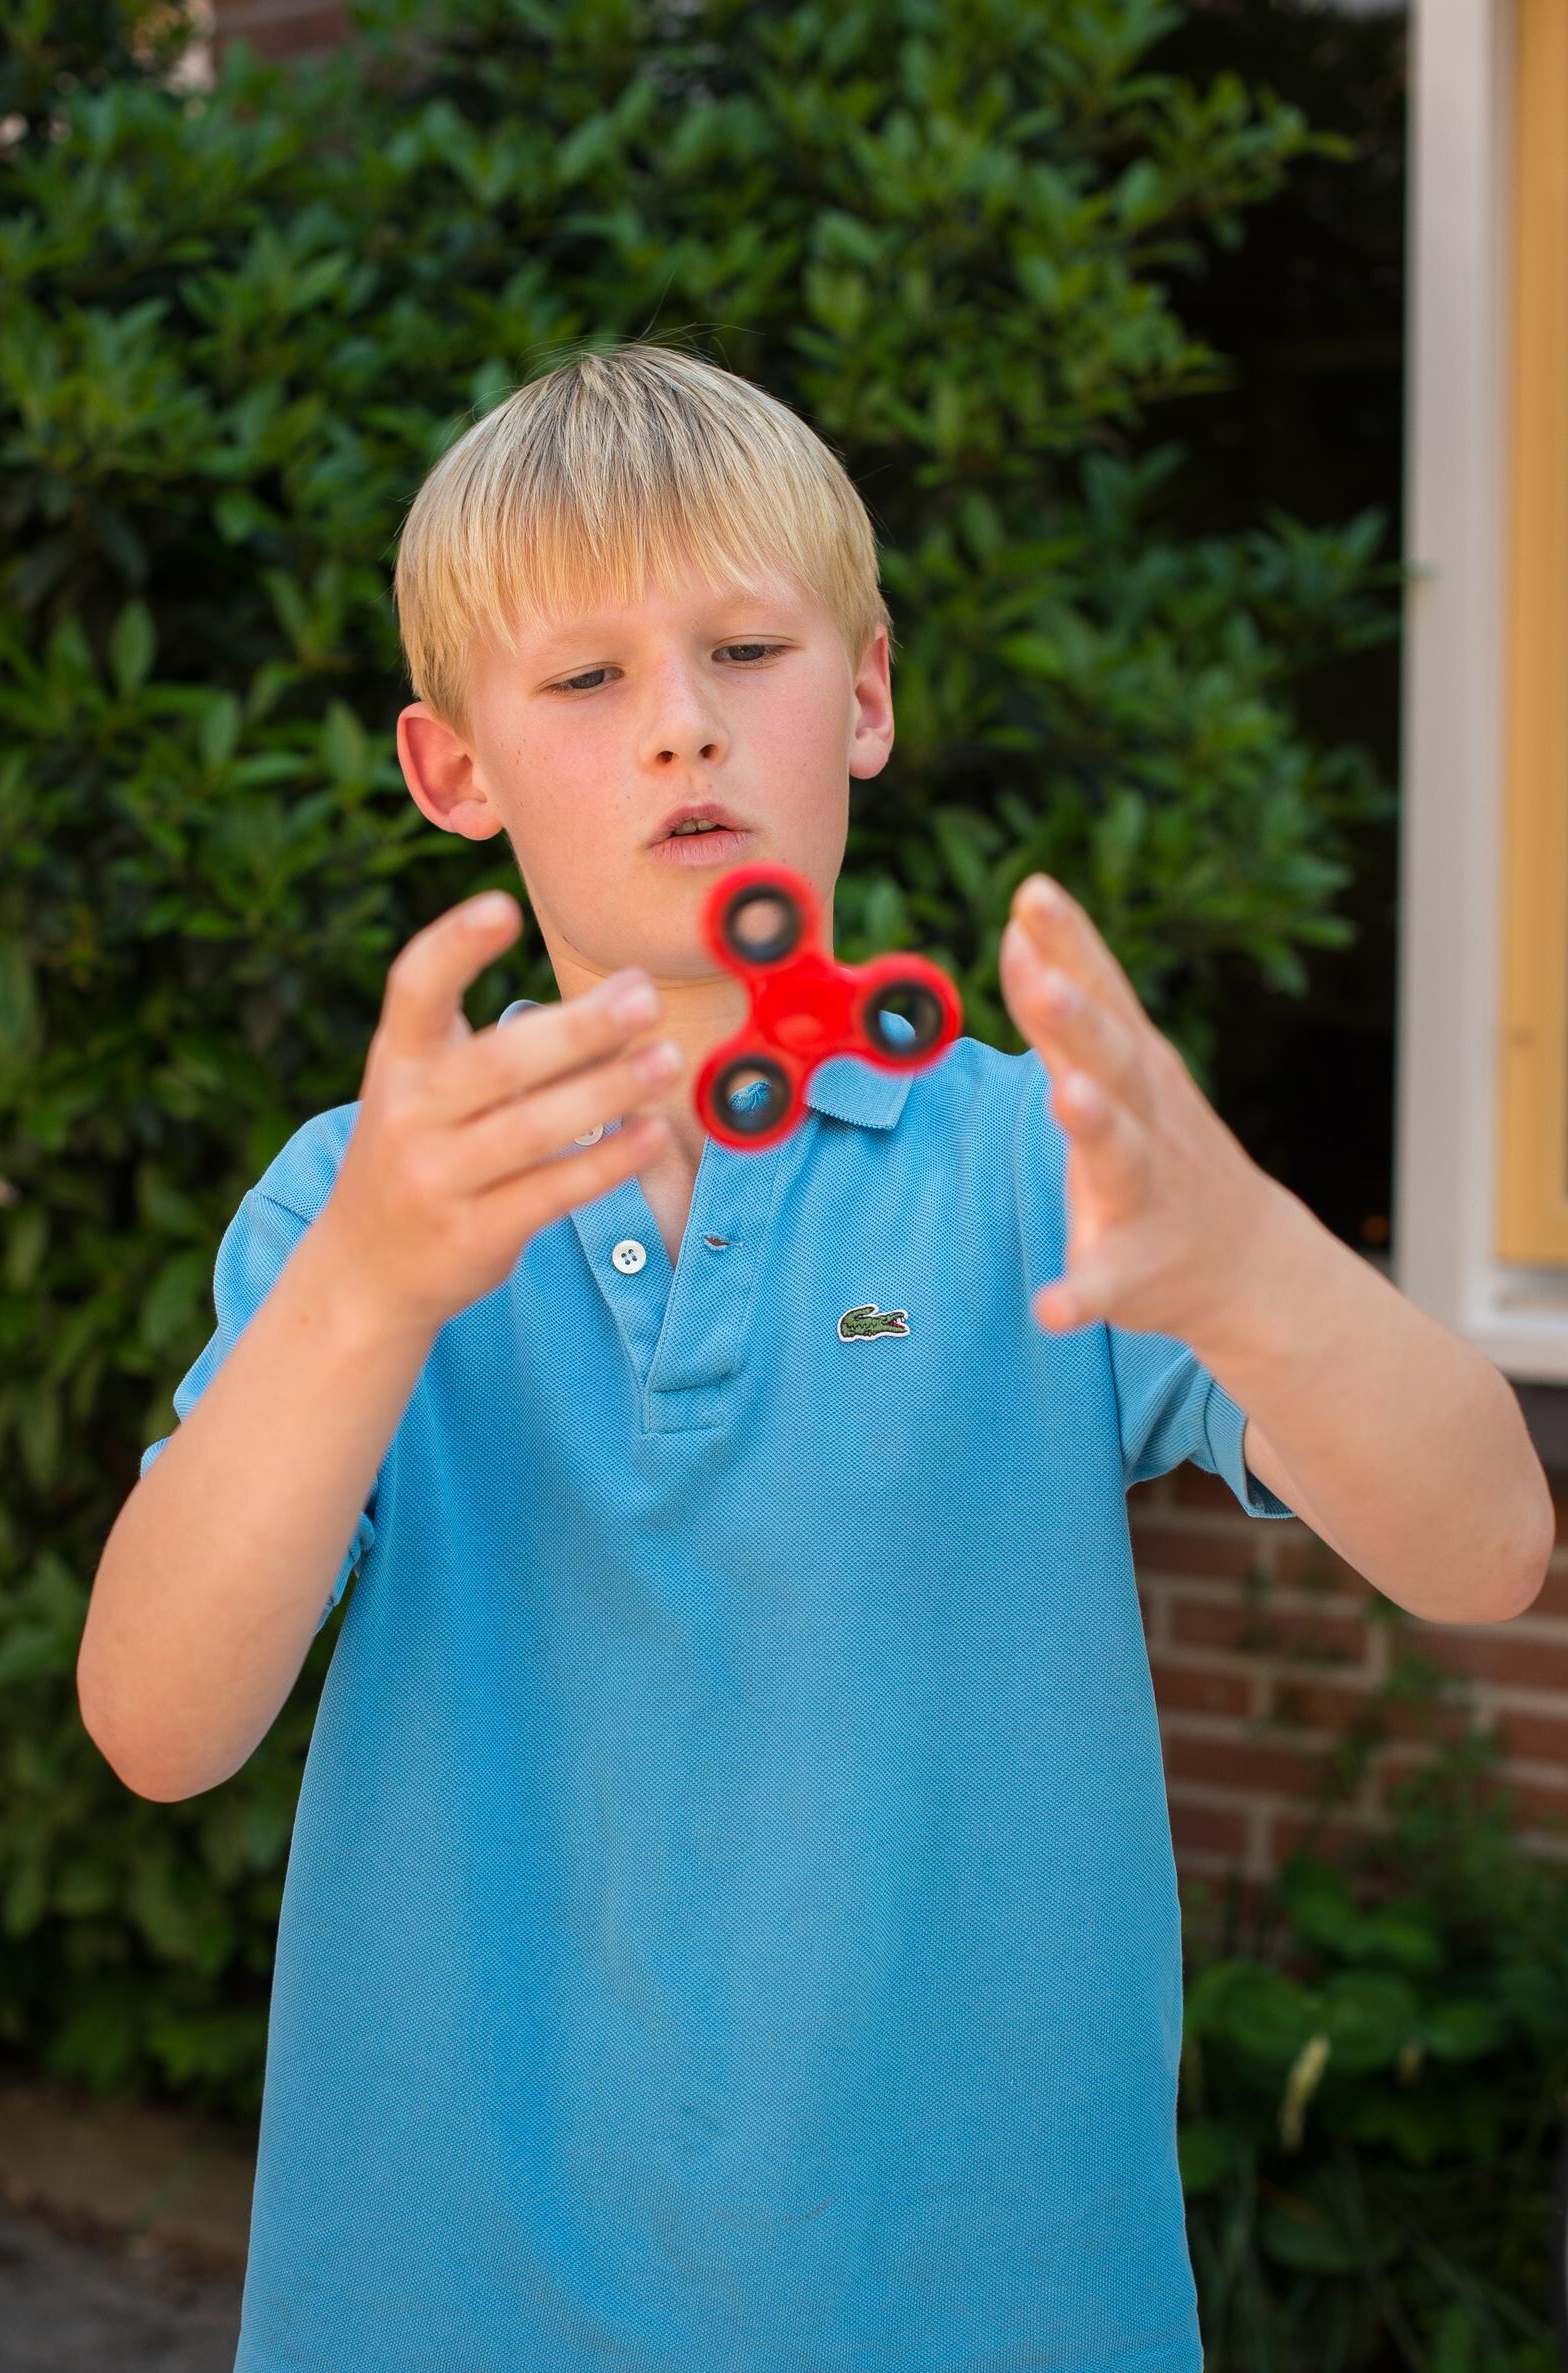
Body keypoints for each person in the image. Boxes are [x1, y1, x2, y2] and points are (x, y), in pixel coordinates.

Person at [76, 340, 1549, 2373]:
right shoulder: (362, 1204)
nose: (679, 725)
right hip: (434, 2312)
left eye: (745, 649)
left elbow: (1486, 1547)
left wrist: (1248, 1267)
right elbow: (157, 1722)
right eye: (584, 681)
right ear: (454, 770)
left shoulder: (1044, 1164)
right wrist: (368, 1290)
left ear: (861, 693)